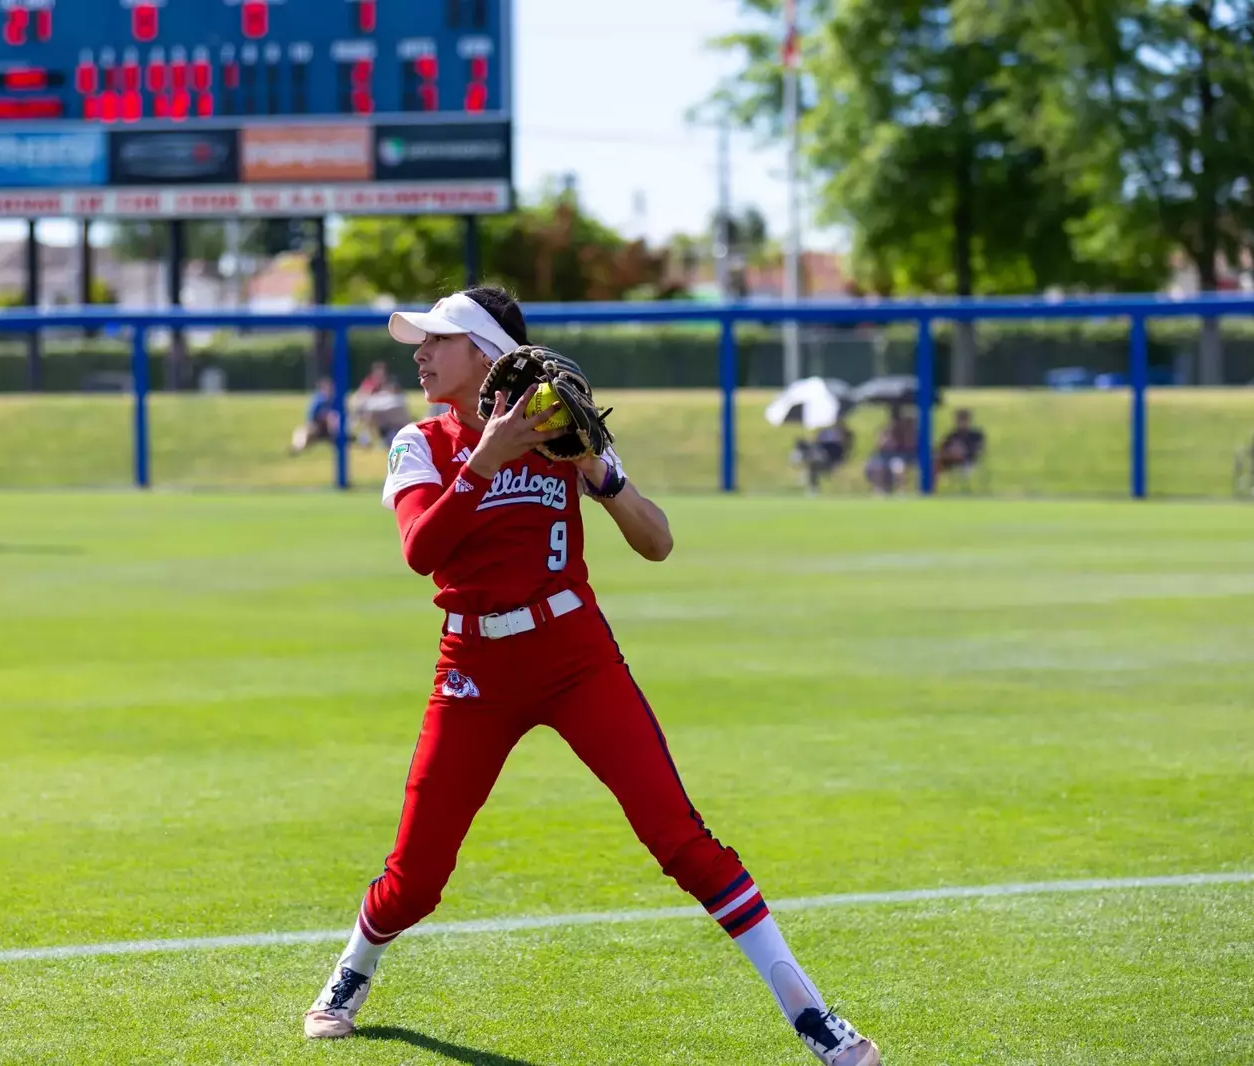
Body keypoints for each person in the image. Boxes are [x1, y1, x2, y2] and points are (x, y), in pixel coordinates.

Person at [301, 287, 881, 1066]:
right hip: (472, 669)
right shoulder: (421, 441)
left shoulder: (558, 430)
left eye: (439, 338)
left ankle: (810, 1013)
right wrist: (485, 459)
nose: (421, 352)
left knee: (678, 836)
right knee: (417, 878)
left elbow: (657, 541)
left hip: (574, 655)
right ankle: (354, 967)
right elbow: (420, 550)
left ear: (485, 354)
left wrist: (598, 472)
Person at [290, 377, 339, 454]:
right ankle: (297, 446)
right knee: (303, 431)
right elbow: (310, 420)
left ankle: (337, 444)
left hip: (331, 429)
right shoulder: (317, 401)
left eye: (331, 388)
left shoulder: (336, 400)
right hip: (317, 427)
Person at [935, 409, 986, 479]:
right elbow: (942, 448)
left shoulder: (975, 436)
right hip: (950, 462)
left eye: (964, 420)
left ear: (969, 421)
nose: (962, 423)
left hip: (967, 462)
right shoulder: (952, 435)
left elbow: (979, 450)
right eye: (960, 420)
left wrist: (962, 452)